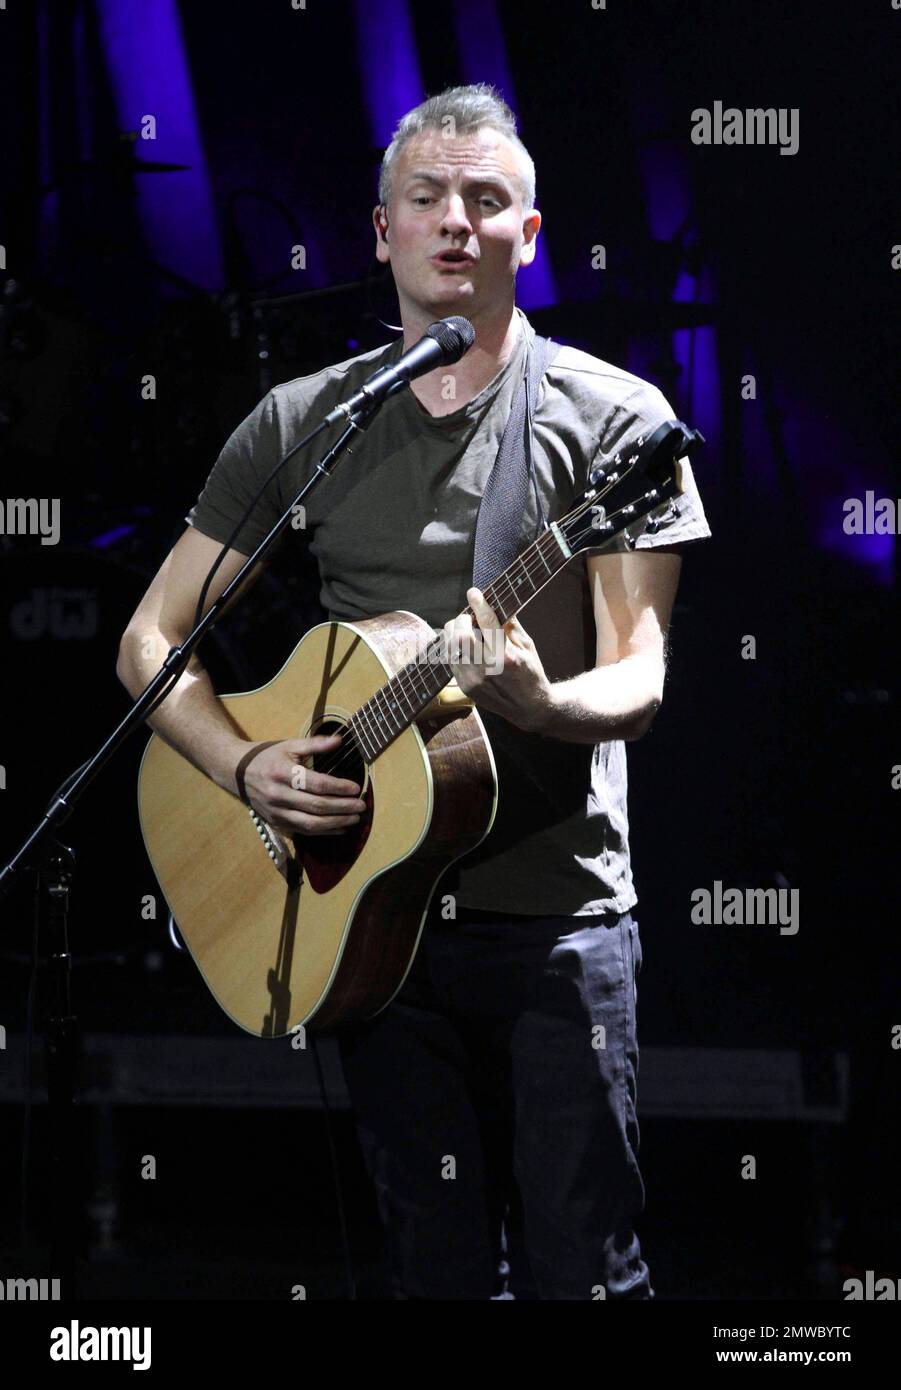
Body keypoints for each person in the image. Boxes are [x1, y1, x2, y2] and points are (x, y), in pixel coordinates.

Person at [117, 83, 711, 1300]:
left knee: (583, 1273)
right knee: (433, 1272)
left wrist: (543, 706)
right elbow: (150, 641)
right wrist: (244, 764)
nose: (454, 222)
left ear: (528, 235)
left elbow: (642, 676)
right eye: (425, 198)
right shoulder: (309, 420)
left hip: (556, 916)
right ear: (380, 229)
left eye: (484, 200)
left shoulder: (614, 423)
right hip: (370, 924)